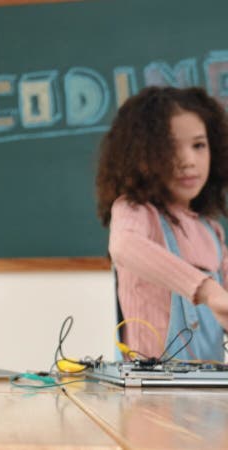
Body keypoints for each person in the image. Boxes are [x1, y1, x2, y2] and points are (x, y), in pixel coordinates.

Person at [96, 86, 228, 362]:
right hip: (150, 392)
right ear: (141, 155)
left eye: (199, 145)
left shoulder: (211, 229)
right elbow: (124, 245)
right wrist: (207, 290)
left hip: (207, 391)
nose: (188, 160)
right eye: (170, 147)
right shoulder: (137, 212)